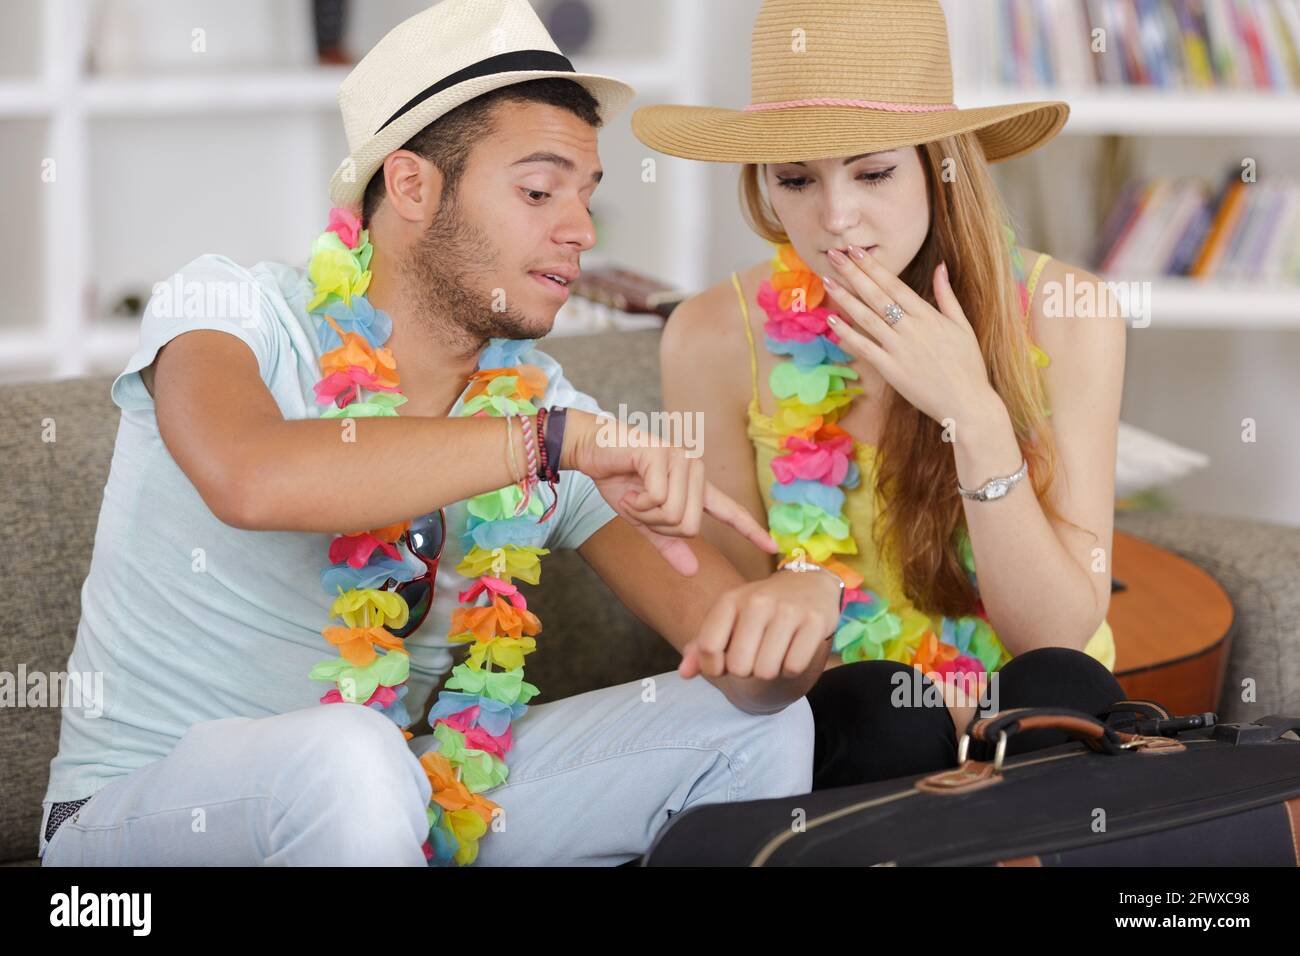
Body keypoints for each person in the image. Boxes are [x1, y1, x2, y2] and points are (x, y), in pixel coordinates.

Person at [38, 0, 823, 868]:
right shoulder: (232, 310)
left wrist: (795, 606)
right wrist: (546, 443)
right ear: (411, 186)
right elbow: (248, 476)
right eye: (537, 190)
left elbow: (741, 666)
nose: (580, 231)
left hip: (399, 797)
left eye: (586, 194)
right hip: (133, 820)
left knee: (758, 726)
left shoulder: (542, 404)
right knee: (349, 755)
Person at [635, 0, 1129, 789]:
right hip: (850, 726)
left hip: (1031, 710)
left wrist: (972, 411)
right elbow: (738, 651)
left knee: (1058, 689)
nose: (834, 218)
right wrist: (803, 594)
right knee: (884, 711)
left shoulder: (1070, 314)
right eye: (795, 179)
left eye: (873, 172)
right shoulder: (708, 336)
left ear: (941, 162)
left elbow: (1056, 634)